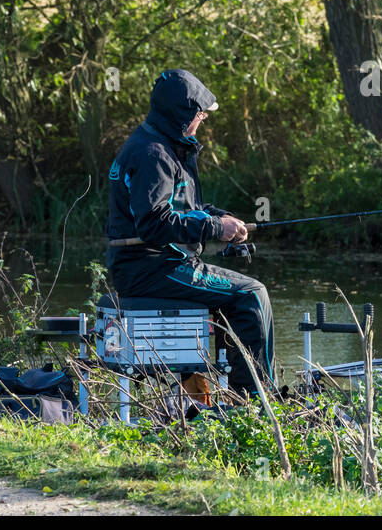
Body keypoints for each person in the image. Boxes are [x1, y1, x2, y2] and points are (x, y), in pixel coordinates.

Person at [104, 69, 273, 401]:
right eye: (199, 114)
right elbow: (153, 223)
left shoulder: (159, 145)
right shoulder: (153, 154)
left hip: (153, 265)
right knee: (252, 295)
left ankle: (226, 397)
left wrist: (219, 217)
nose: (203, 120)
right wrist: (214, 228)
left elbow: (184, 206)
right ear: (181, 114)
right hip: (150, 268)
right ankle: (255, 400)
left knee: (240, 297)